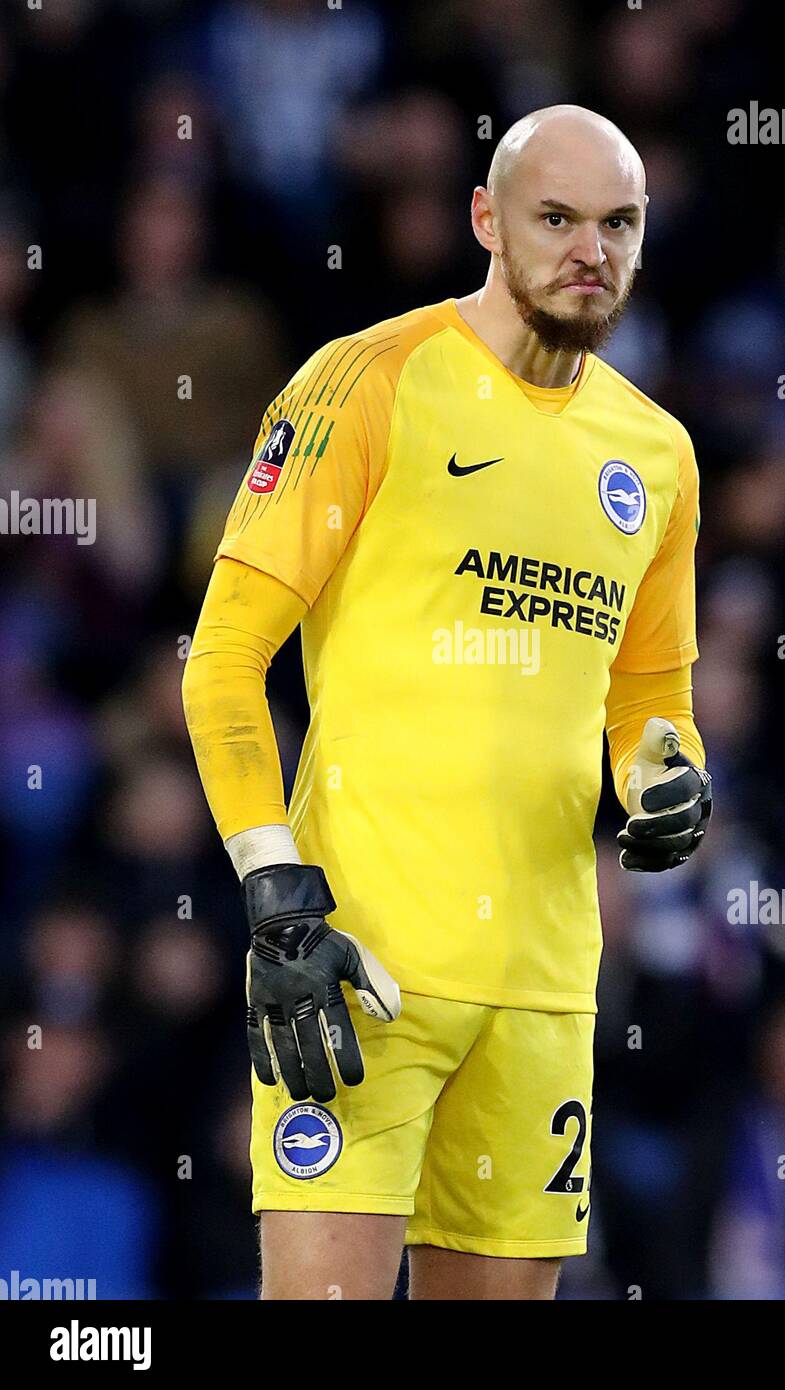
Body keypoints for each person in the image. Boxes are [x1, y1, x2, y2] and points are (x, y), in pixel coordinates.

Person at [182, 104, 711, 1301]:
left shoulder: (657, 451)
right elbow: (222, 657)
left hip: (542, 980)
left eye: (618, 223)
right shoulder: (369, 380)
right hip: (357, 959)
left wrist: (663, 773)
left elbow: (648, 694)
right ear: (484, 219)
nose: (592, 250)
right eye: (558, 219)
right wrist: (272, 889)